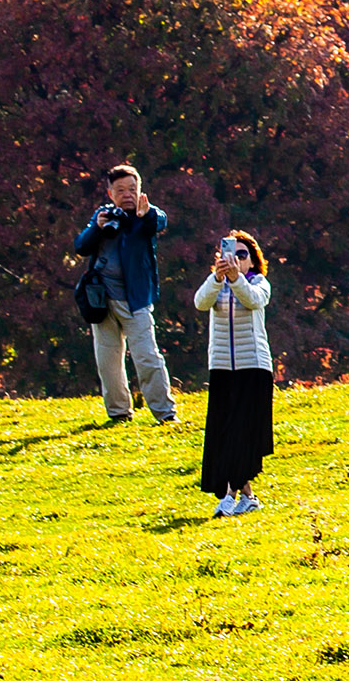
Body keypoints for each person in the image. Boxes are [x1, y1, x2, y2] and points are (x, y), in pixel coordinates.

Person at [73, 163, 176, 425]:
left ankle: (165, 413)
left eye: (132, 188)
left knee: (147, 357)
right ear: (110, 193)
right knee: (108, 361)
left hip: (136, 300)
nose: (127, 194)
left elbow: (161, 221)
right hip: (102, 301)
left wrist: (146, 213)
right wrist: (97, 227)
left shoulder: (146, 217)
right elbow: (81, 246)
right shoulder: (104, 214)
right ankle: (118, 412)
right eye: (120, 190)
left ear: (140, 189)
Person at [194, 230, 275, 517]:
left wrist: (235, 279)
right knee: (225, 434)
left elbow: (253, 300)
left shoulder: (258, 283)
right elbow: (200, 303)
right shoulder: (215, 284)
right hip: (222, 369)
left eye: (242, 255)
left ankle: (230, 495)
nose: (236, 259)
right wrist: (217, 279)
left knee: (243, 434)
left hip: (253, 368)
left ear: (252, 261)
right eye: (231, 253)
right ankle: (247, 496)